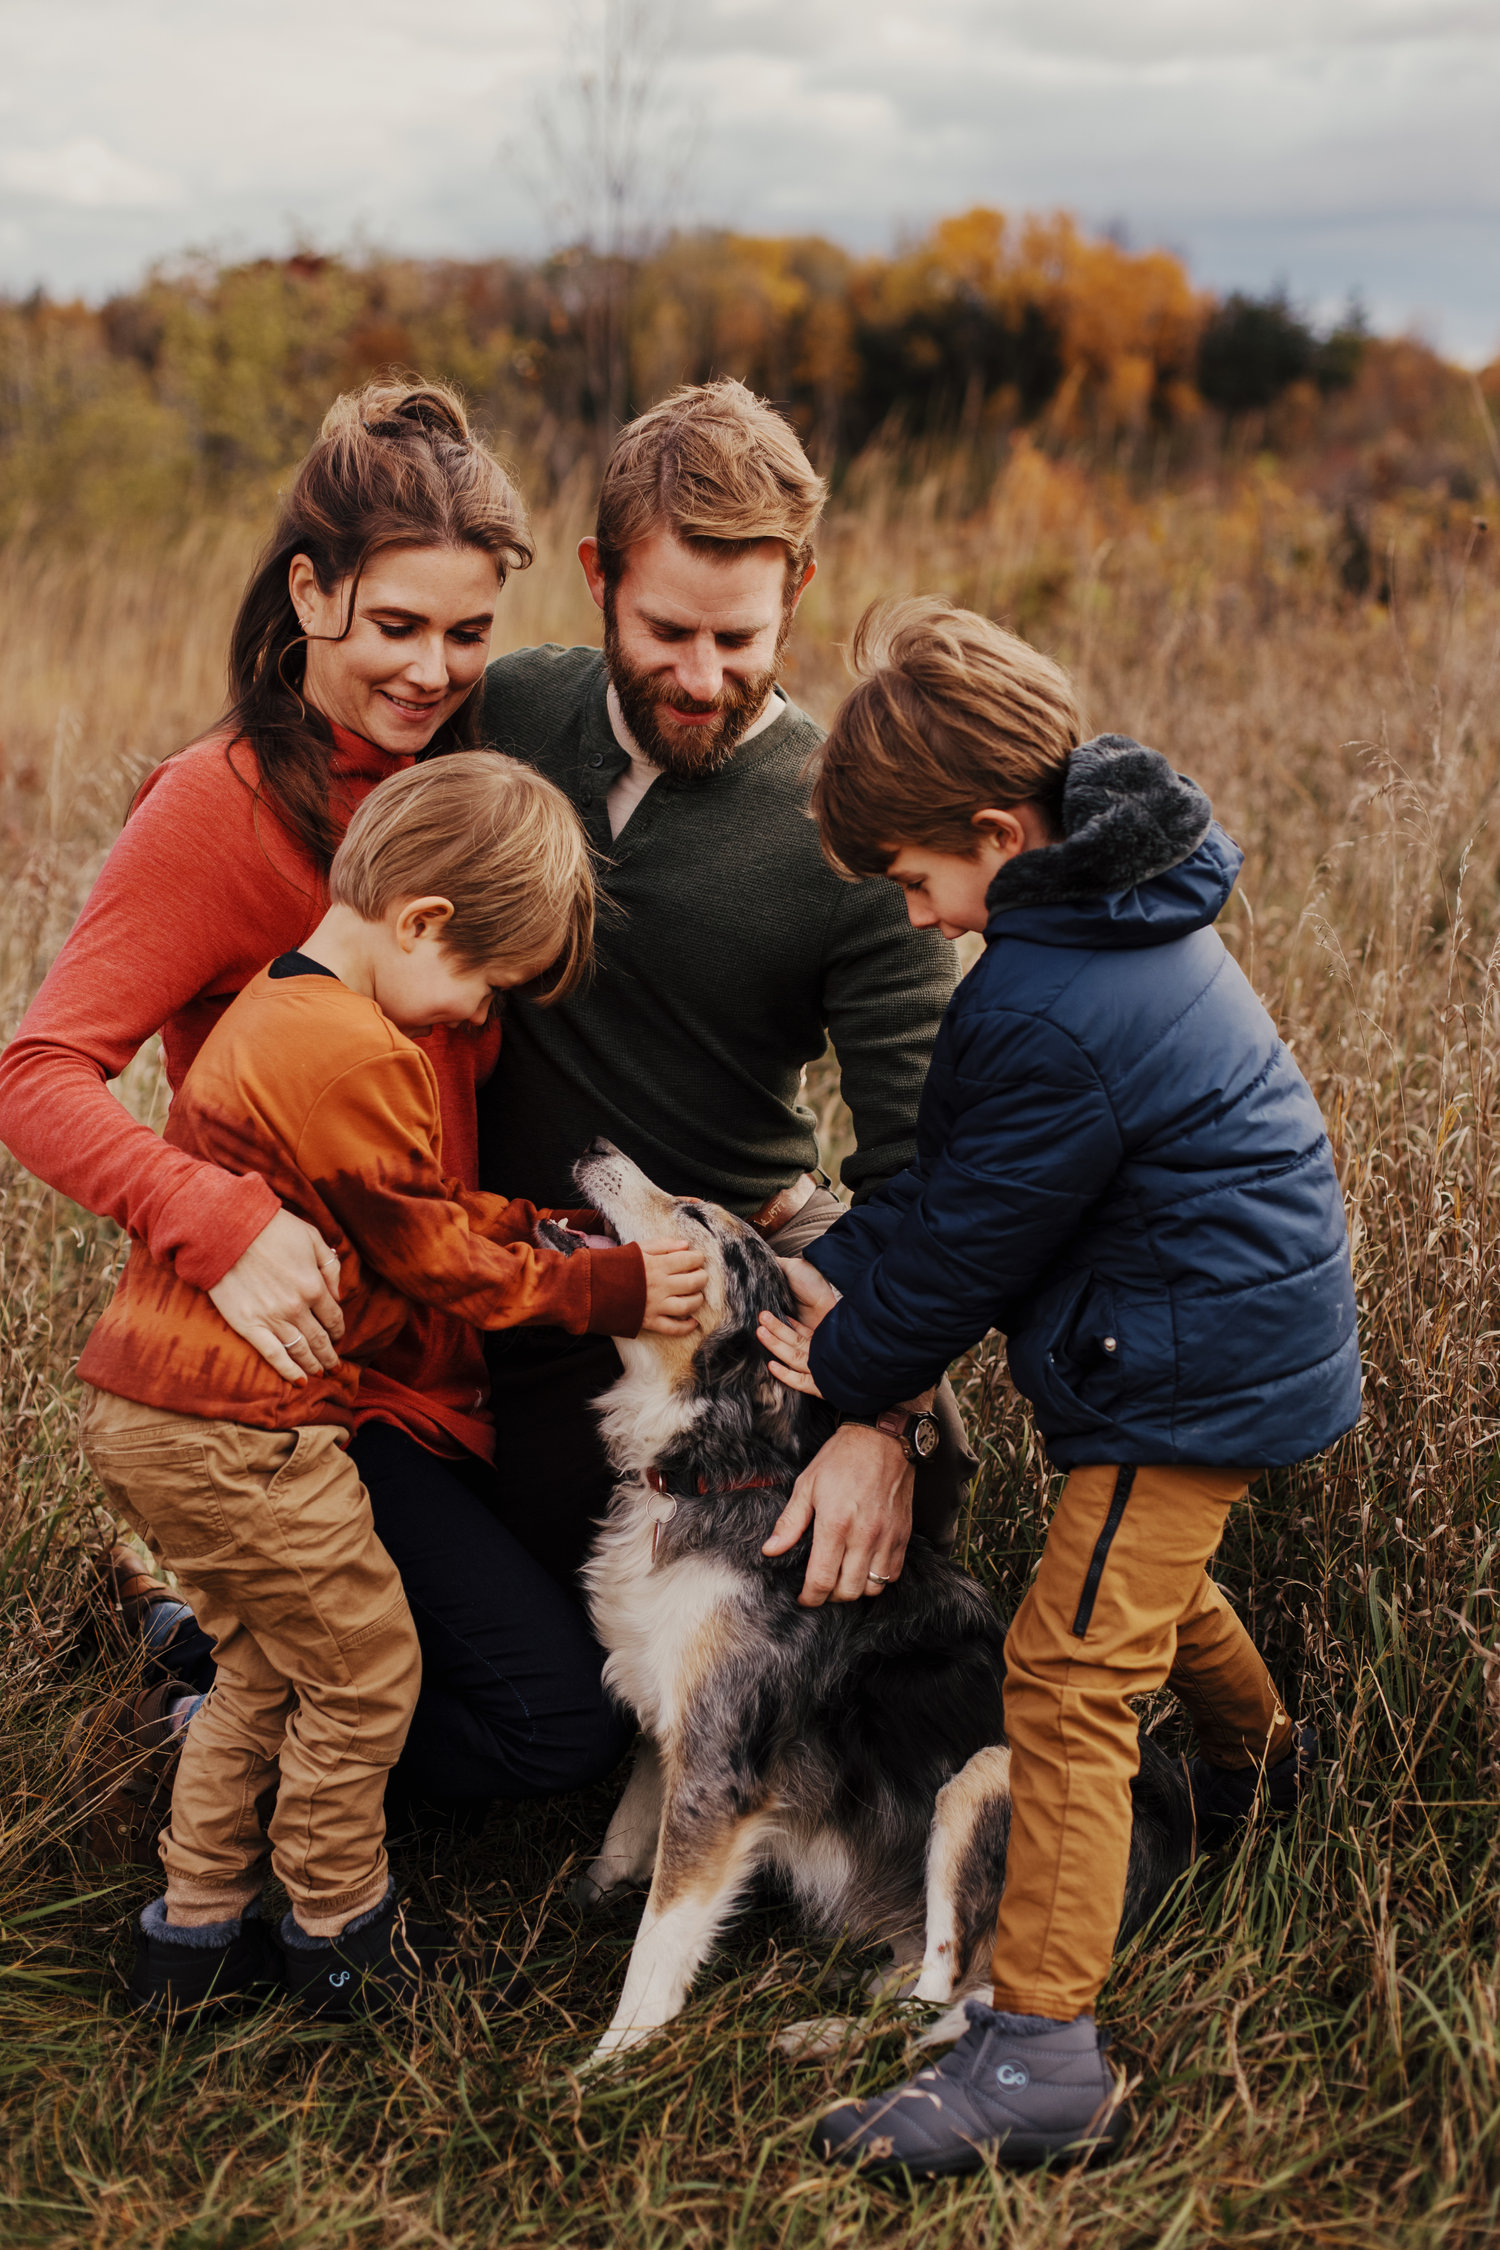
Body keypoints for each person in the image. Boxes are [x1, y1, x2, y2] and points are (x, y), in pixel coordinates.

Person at [756, 599, 1360, 2176]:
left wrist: (841, 1358)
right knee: (1141, 1587)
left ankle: (1038, 2054)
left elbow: (963, 1255)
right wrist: (851, 1250)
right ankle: (1259, 1768)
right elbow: (962, 1186)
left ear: (996, 831)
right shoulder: (1103, 921)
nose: (917, 918)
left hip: (1185, 1359)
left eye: (915, 881)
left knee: (1073, 1669)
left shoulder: (1043, 999)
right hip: (1208, 1324)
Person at [0, 378, 638, 1850]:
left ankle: (223, 1645)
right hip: (303, 1396)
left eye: (466, 632)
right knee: (552, 1721)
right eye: (394, 624)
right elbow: (37, 1074)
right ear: (310, 590)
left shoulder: (468, 796)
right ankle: (222, 1703)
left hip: (460, 1351)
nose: (431, 669)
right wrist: (215, 1219)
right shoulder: (215, 811)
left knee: (597, 1662)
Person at [76, 755, 706, 2018]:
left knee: (261, 1670)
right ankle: (341, 1940)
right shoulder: (353, 1054)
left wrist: (544, 1228)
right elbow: (434, 1262)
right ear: (422, 923)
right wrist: (611, 1289)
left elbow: (414, 1210)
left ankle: (186, 1942)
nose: (471, 1019)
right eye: (480, 986)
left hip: (167, 1416)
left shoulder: (283, 1007)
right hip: (247, 1432)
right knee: (365, 1677)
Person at [479, 378, 971, 1603]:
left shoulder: (852, 838)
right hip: (517, 1266)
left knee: (925, 1460)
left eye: (739, 638)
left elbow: (925, 1170)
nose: (701, 678)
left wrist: (888, 1416)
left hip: (720, 1271)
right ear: (599, 575)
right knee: (540, 1674)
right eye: (665, 631)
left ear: (795, 590)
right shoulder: (500, 713)